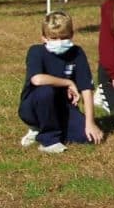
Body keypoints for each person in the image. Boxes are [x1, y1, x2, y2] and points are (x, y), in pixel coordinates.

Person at [20, 11, 104, 152]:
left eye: (63, 38)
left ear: (71, 35)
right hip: (34, 105)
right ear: (44, 38)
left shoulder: (77, 53)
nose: (59, 42)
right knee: (45, 91)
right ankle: (48, 140)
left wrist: (90, 123)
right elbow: (37, 79)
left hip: (63, 106)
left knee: (86, 137)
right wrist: (68, 83)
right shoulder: (36, 51)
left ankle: (51, 128)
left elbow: (86, 89)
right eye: (54, 38)